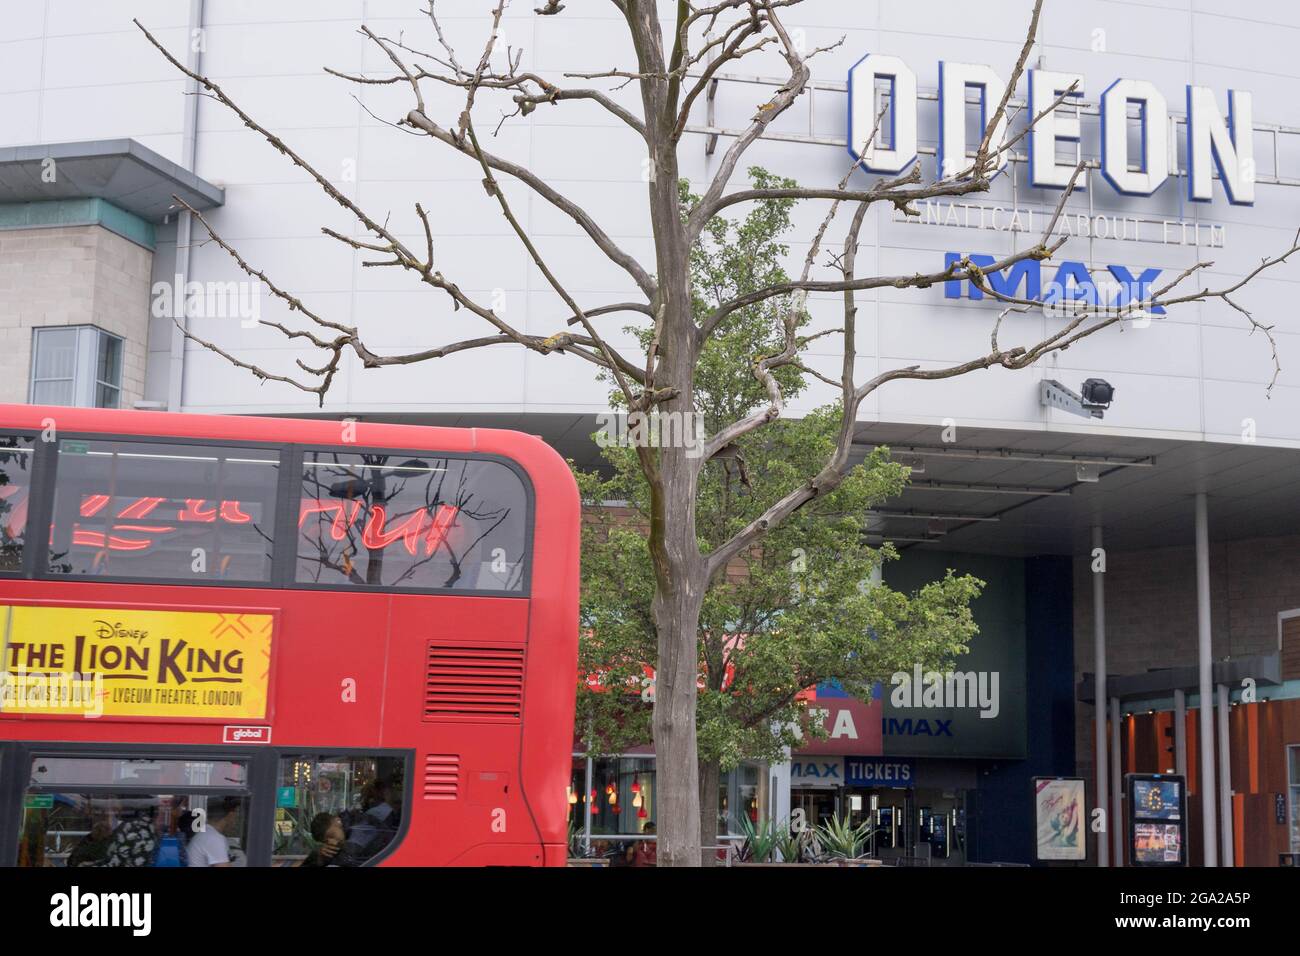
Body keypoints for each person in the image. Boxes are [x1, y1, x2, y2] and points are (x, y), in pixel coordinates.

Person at [187, 798, 242, 867]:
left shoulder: (206, 833)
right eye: (235, 817)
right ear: (230, 816)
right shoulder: (214, 838)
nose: (234, 822)